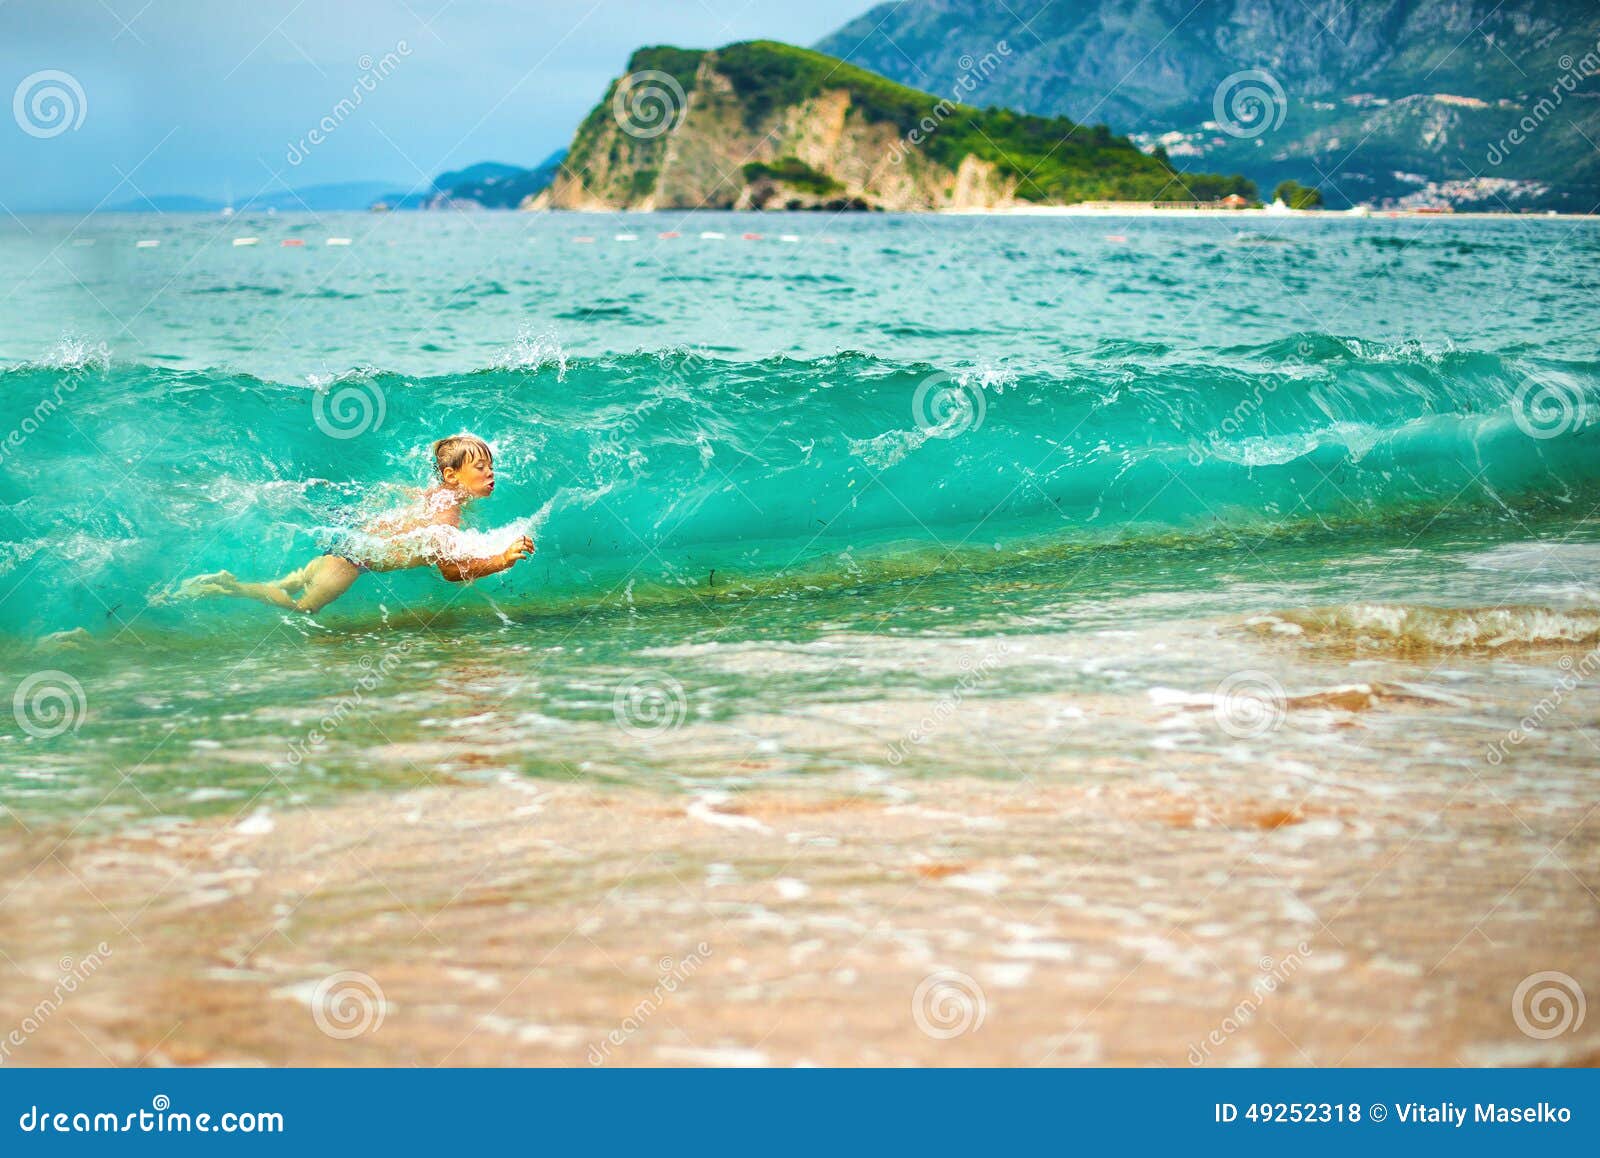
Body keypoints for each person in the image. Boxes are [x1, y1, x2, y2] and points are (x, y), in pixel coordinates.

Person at [174, 433, 534, 614]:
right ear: (452, 475)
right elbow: (452, 572)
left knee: (298, 580)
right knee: (303, 608)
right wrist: (502, 559)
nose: (490, 473)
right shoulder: (447, 512)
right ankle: (231, 587)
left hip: (352, 549)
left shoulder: (438, 493)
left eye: (490, 465)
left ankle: (235, 583)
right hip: (353, 561)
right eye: (481, 467)